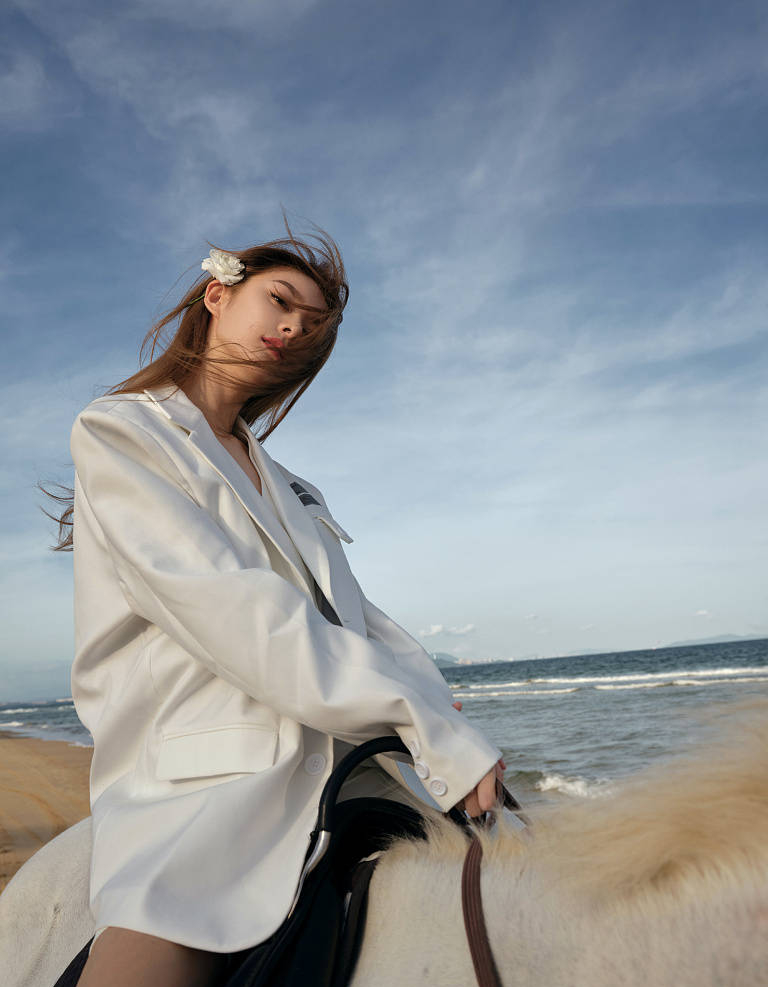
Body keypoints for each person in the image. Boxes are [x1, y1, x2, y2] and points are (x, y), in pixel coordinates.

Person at [49, 219, 505, 986]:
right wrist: (414, 716)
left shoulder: (291, 484)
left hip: (338, 760)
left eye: (313, 324)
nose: (293, 328)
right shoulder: (123, 431)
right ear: (217, 296)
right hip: (205, 782)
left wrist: (448, 728)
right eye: (280, 300)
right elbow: (232, 607)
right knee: (158, 944)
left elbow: (362, 623)